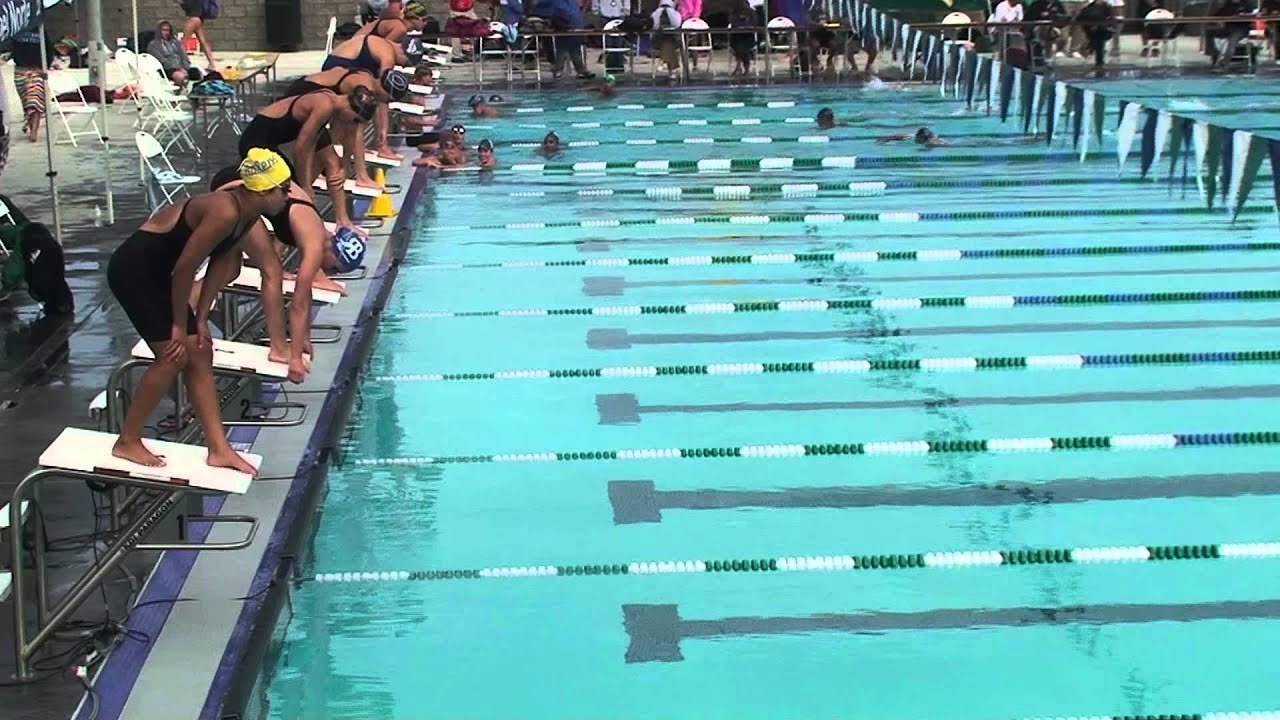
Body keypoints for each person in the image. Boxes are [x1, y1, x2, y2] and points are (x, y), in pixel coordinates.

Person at [106, 148, 293, 475]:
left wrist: (202, 318)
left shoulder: (248, 213)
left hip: (160, 274)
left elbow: (220, 263)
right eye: (284, 188)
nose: (288, 196)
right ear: (264, 190)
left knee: (201, 352)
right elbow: (185, 268)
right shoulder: (225, 211)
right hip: (134, 272)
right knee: (173, 355)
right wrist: (180, 326)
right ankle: (128, 441)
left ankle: (219, 450)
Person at [207, 164, 366, 382]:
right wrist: (295, 360)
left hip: (235, 183)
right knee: (272, 271)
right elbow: (299, 303)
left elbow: (305, 294)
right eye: (335, 268)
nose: (331, 272)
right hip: (236, 191)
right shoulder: (314, 244)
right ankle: (279, 348)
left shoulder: (317, 233)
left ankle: (190, 312)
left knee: (231, 271)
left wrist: (304, 338)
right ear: (333, 249)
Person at [237, 87, 378, 233]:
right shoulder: (324, 106)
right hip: (255, 141)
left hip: (272, 140)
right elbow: (300, 148)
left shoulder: (333, 103)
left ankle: (343, 222)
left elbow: (315, 145)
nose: (353, 124)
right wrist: (305, 186)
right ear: (350, 108)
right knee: (288, 188)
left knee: (332, 162)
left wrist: (344, 168)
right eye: (355, 120)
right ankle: (279, 232)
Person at [282, 67, 410, 181]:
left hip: (305, 92)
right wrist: (356, 172)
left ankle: (314, 176)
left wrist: (381, 134)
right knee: (325, 153)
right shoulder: (362, 89)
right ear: (385, 92)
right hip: (299, 97)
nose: (386, 103)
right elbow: (355, 134)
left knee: (332, 141)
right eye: (389, 100)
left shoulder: (368, 79)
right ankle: (307, 182)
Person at [11, 28, 53, 143]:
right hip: (20, 71)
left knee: (34, 100)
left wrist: (45, 67)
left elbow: (49, 49)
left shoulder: (40, 29)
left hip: (37, 71)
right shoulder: (18, 29)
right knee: (26, 102)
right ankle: (30, 127)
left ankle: (34, 132)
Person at [323, 30, 407, 75]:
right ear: (403, 53)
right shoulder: (388, 56)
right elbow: (385, 85)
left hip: (334, 59)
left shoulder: (383, 42)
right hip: (337, 68)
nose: (402, 66)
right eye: (405, 64)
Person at [147, 21, 194, 86]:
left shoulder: (175, 42)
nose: (166, 33)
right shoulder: (153, 45)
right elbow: (162, 60)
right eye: (164, 30)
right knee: (180, 76)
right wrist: (178, 69)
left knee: (197, 73)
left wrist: (185, 68)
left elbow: (183, 56)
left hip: (182, 67)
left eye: (168, 30)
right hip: (166, 69)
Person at [180, 0, 219, 70]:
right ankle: (212, 64)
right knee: (203, 42)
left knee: (183, 41)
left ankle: (182, 63)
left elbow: (187, 7)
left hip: (193, 19)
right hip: (199, 19)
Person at [651, 0, 683, 77]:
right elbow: (654, 26)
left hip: (673, 39)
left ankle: (664, 60)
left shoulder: (675, 14)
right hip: (659, 39)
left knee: (669, 41)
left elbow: (676, 24)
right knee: (667, 42)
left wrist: (670, 12)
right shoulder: (656, 13)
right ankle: (673, 67)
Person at [728, 0, 757, 76]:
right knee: (738, 45)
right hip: (737, 36)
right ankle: (741, 67)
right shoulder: (734, 13)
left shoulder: (751, 13)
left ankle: (741, 66)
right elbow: (733, 23)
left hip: (748, 36)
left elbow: (754, 24)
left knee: (743, 47)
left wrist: (746, 22)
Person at [878, 127, 949, 146]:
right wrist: (885, 139)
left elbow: (948, 144)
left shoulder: (933, 141)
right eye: (919, 138)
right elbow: (895, 136)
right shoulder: (911, 137)